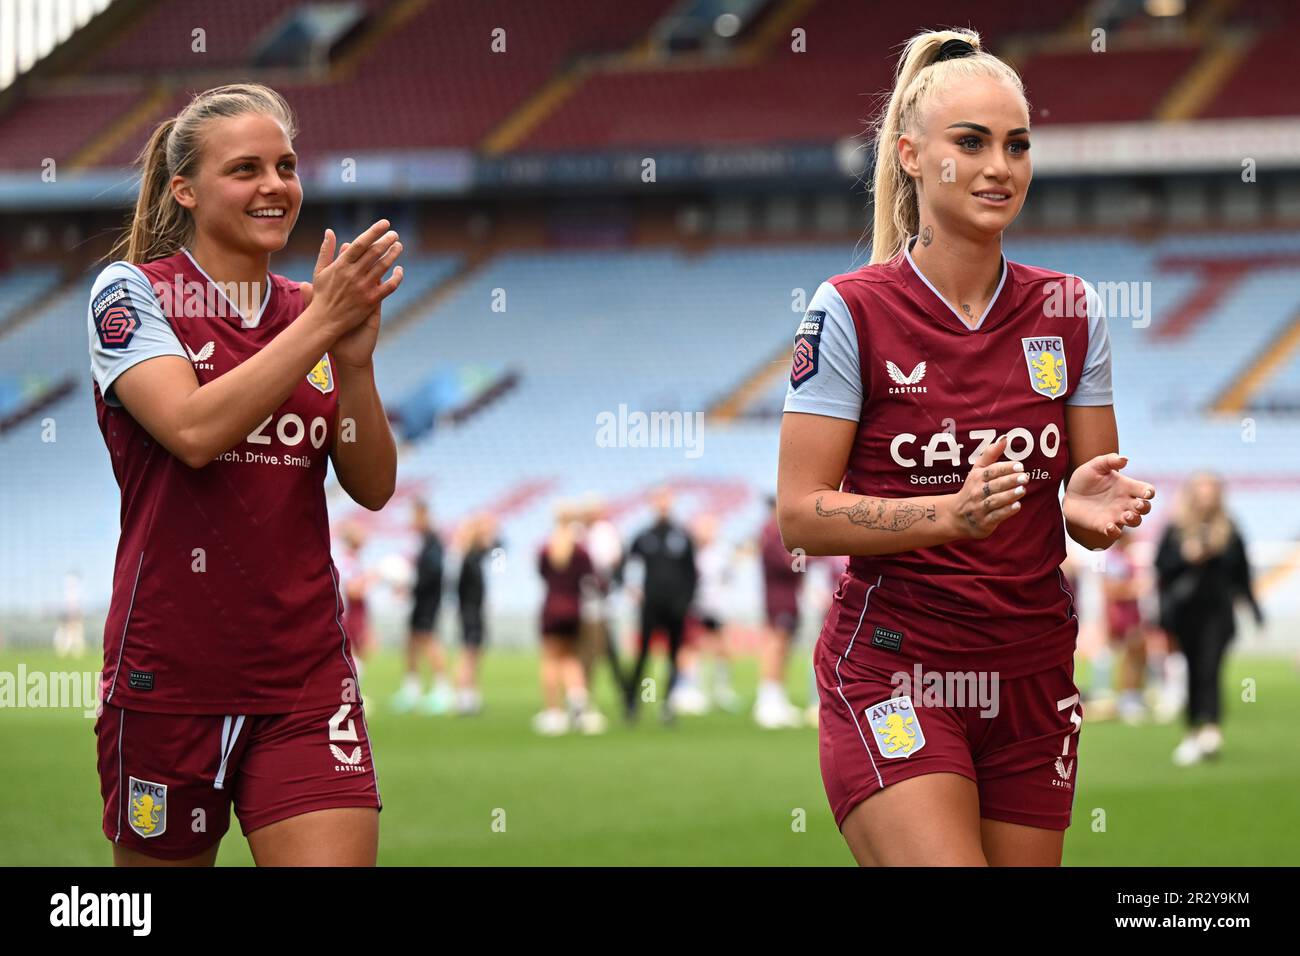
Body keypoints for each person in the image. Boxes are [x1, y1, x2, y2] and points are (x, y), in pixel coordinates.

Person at [777, 30, 1156, 866]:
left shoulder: (1072, 307)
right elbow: (801, 516)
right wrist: (948, 514)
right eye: (972, 143)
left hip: (1032, 674)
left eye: (1017, 144)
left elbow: (1088, 503)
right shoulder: (850, 311)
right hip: (896, 669)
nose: (1000, 167)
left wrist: (1086, 510)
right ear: (911, 155)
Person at [87, 84, 403, 866]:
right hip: (172, 676)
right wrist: (324, 328)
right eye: (246, 169)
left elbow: (372, 484)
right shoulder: (132, 293)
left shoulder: (311, 309)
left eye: (286, 166)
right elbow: (193, 432)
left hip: (305, 677)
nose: (274, 185)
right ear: (184, 190)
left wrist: (354, 366)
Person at [1155, 472, 1264, 766]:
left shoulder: (1229, 529)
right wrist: (1186, 557)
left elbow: (1242, 574)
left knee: (1210, 668)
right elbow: (1161, 568)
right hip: (1186, 613)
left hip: (1218, 612)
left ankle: (1211, 727)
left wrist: (1255, 611)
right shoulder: (1177, 529)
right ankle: (1192, 729)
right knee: (1192, 670)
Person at [618, 487, 697, 724]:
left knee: (673, 656)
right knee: (643, 654)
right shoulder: (644, 536)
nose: (662, 505)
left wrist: (686, 600)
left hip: (675, 606)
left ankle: (668, 704)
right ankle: (633, 704)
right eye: (658, 500)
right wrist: (632, 589)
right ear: (652, 504)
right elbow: (625, 567)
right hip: (650, 605)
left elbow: (692, 572)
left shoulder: (682, 535)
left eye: (666, 500)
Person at [535, 505, 606, 735]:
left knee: (551, 660)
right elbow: (592, 581)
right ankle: (577, 704)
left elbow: (542, 575)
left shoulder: (546, 549)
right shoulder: (580, 551)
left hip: (551, 608)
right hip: (574, 609)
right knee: (571, 658)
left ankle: (554, 712)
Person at [393, 499, 452, 714]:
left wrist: (411, 584)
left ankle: (442, 689)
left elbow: (433, 573)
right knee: (411, 642)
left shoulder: (433, 541)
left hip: (428, 600)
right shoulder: (422, 541)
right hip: (420, 600)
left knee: (428, 641)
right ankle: (412, 688)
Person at [756, 495, 804, 728]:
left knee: (784, 647)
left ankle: (777, 697)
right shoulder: (772, 533)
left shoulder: (773, 532)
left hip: (787, 597)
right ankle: (767, 699)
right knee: (776, 644)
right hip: (779, 598)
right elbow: (791, 563)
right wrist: (812, 554)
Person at [454, 513, 499, 715]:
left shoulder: (474, 558)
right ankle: (463, 696)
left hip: (474, 611)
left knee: (474, 654)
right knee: (469, 653)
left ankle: (470, 693)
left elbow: (497, 547)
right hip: (469, 612)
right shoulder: (468, 559)